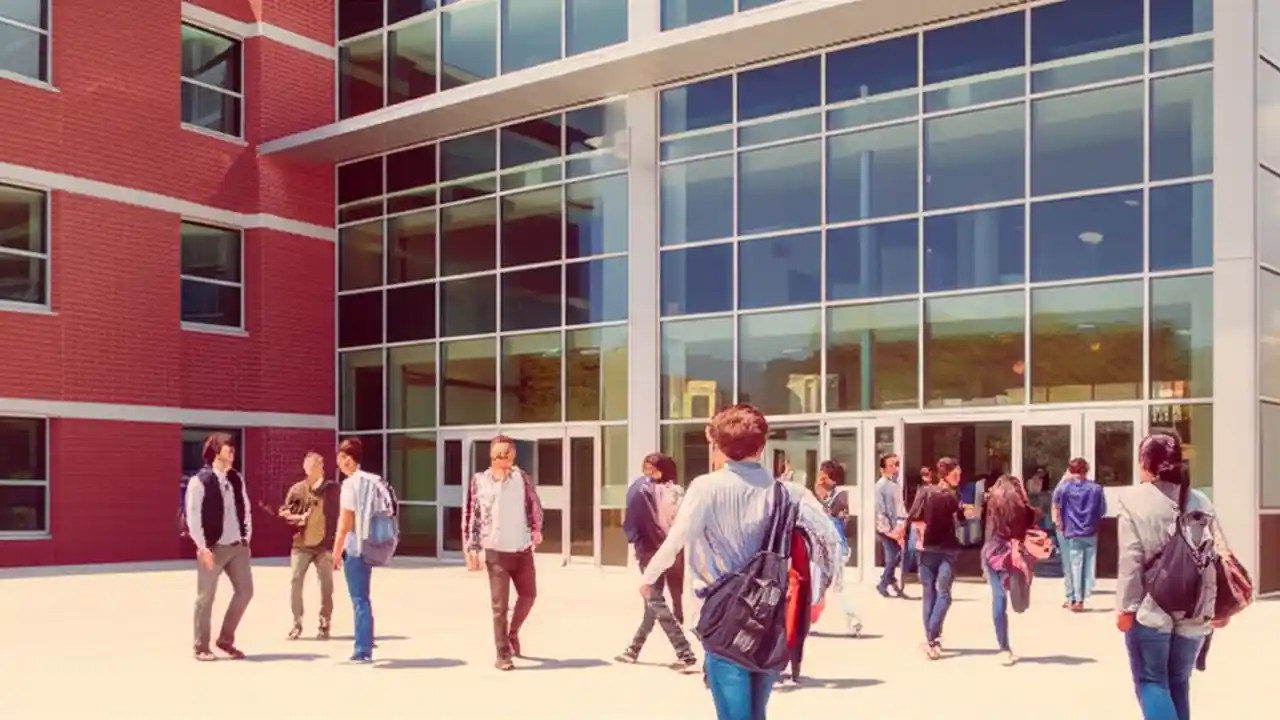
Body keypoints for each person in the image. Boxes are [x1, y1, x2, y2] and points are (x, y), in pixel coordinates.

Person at [638, 404, 841, 720]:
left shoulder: (705, 488)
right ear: (762, 446)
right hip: (772, 612)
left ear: (717, 446)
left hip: (722, 615)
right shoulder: (791, 492)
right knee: (757, 712)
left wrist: (649, 578)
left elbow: (676, 540)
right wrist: (820, 590)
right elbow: (831, 542)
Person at [1117, 431, 1222, 720]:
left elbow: (1131, 559)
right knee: (1178, 683)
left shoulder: (1133, 499)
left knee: (1152, 682)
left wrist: (1126, 608)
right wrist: (1214, 606)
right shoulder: (1201, 500)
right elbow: (1214, 557)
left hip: (1151, 607)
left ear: (1146, 463)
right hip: (1195, 607)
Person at [463, 435, 544, 671]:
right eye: (499, 454)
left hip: (521, 548)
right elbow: (472, 515)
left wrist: (537, 529)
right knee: (499, 606)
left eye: (508, 453)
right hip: (496, 551)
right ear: (492, 456)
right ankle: (502, 654)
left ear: (514, 455)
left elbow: (534, 505)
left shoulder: (522, 478)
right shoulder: (480, 481)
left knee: (529, 596)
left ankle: (513, 632)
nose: (504, 458)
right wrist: (472, 548)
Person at [616, 453, 697, 670]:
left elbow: (633, 522)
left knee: (655, 602)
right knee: (653, 603)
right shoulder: (659, 490)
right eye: (647, 467)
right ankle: (633, 650)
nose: (649, 471)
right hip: (662, 552)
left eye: (653, 467)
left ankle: (685, 653)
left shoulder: (662, 491)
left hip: (657, 553)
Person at [185, 432, 254, 661]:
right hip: (212, 548)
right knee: (205, 597)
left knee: (245, 591)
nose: (232, 453)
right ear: (216, 452)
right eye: (228, 449)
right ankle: (201, 646)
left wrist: (246, 538)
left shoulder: (236, 478)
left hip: (237, 547)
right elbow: (193, 516)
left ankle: (225, 640)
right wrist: (202, 547)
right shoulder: (200, 481)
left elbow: (245, 506)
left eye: (234, 449)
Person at [331, 437, 395, 663]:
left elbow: (345, 522)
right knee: (364, 598)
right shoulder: (374, 480)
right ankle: (366, 639)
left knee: (359, 599)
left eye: (340, 458)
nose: (338, 463)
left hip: (355, 546)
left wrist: (336, 551)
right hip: (374, 542)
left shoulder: (350, 485)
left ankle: (362, 649)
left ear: (347, 459)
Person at [907, 457, 973, 660]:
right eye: (956, 474)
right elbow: (961, 521)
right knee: (943, 593)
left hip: (926, 548)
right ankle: (932, 636)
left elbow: (912, 516)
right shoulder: (952, 496)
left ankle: (931, 640)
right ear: (946, 474)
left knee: (930, 593)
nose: (959, 477)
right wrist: (966, 512)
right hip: (946, 549)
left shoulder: (925, 492)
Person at [278, 451, 339, 640]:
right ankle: (297, 623)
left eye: (319, 465)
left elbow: (340, 515)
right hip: (301, 544)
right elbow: (284, 512)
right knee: (295, 581)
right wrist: (298, 518)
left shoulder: (332, 489)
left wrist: (338, 545)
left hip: (324, 545)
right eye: (312, 467)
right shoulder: (297, 489)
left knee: (326, 585)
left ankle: (324, 622)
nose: (316, 469)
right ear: (306, 469)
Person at [981, 474, 1040, 666]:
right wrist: (1017, 555)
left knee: (998, 598)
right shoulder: (1020, 507)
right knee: (1019, 601)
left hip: (991, 553)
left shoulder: (992, 503)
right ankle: (1021, 597)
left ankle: (1003, 646)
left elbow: (987, 529)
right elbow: (1020, 531)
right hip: (1010, 554)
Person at [813, 460, 862, 635]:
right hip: (830, 548)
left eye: (822, 475)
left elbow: (836, 518)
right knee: (821, 584)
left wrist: (822, 498)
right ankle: (807, 618)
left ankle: (854, 618)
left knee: (836, 586)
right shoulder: (833, 495)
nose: (818, 479)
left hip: (835, 548)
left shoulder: (841, 495)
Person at [1053, 457, 1107, 611]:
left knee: (1075, 564)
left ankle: (1077, 599)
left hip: (1072, 530)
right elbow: (1102, 511)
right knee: (1089, 565)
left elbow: (1056, 501)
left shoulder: (1065, 488)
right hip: (1090, 530)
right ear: (1086, 471)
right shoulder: (1096, 489)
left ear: (1070, 471)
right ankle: (1083, 595)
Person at [873, 453, 908, 598]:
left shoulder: (896, 485)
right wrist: (890, 530)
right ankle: (883, 583)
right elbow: (880, 510)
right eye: (891, 465)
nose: (895, 468)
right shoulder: (880, 486)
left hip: (897, 526)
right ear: (883, 469)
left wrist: (902, 524)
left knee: (897, 555)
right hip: (886, 528)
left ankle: (891, 581)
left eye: (896, 465)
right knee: (892, 556)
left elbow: (900, 507)